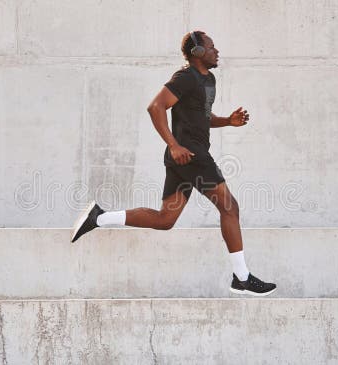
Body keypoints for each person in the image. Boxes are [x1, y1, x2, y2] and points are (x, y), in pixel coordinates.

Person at [71, 31, 276, 296]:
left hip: (185, 159)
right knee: (230, 207)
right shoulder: (185, 77)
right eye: (211, 47)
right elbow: (155, 107)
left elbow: (201, 115)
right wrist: (174, 144)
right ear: (198, 53)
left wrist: (227, 121)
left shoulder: (208, 79)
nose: (217, 51)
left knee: (165, 219)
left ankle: (99, 217)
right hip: (191, 157)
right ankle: (242, 277)